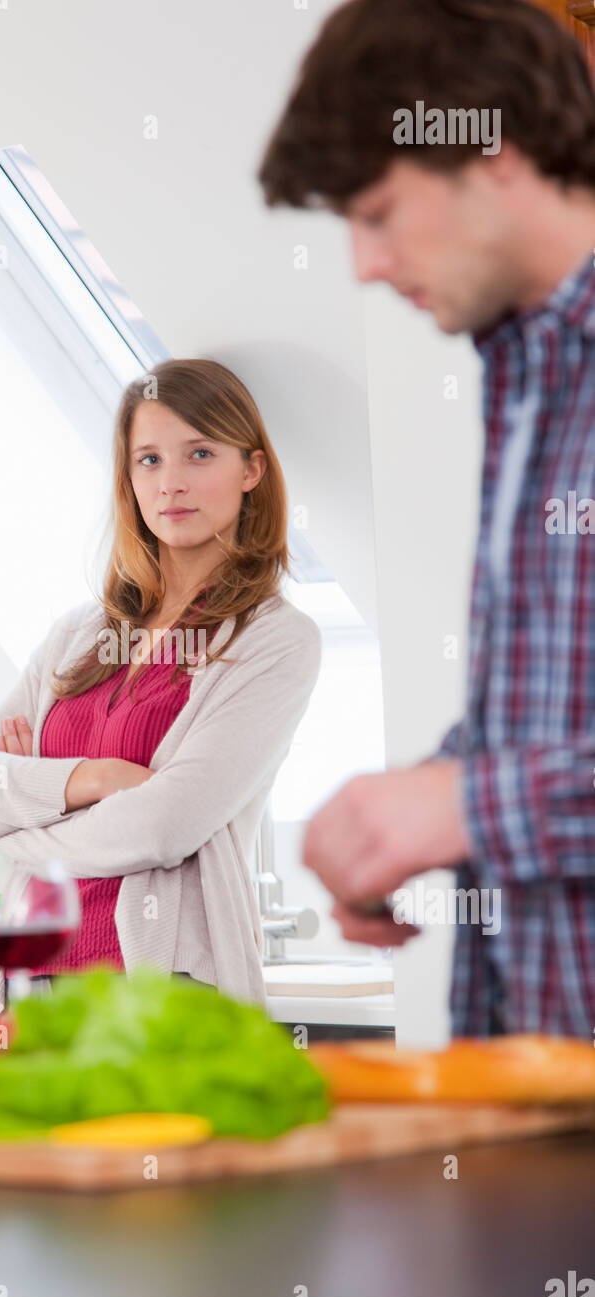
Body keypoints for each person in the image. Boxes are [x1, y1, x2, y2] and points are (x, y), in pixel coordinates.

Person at [257, 0, 595, 1036]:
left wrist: (460, 808)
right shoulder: (527, 371)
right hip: (537, 1079)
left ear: (488, 150)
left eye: (377, 212)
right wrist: (411, 813)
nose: (363, 263)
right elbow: (557, 712)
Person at [0, 358, 321, 1019]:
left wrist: (18, 823)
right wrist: (90, 778)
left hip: (162, 992)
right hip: (26, 989)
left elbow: (162, 825)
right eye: (148, 460)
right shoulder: (77, 635)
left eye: (199, 454)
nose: (170, 483)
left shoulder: (272, 638)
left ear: (251, 469)